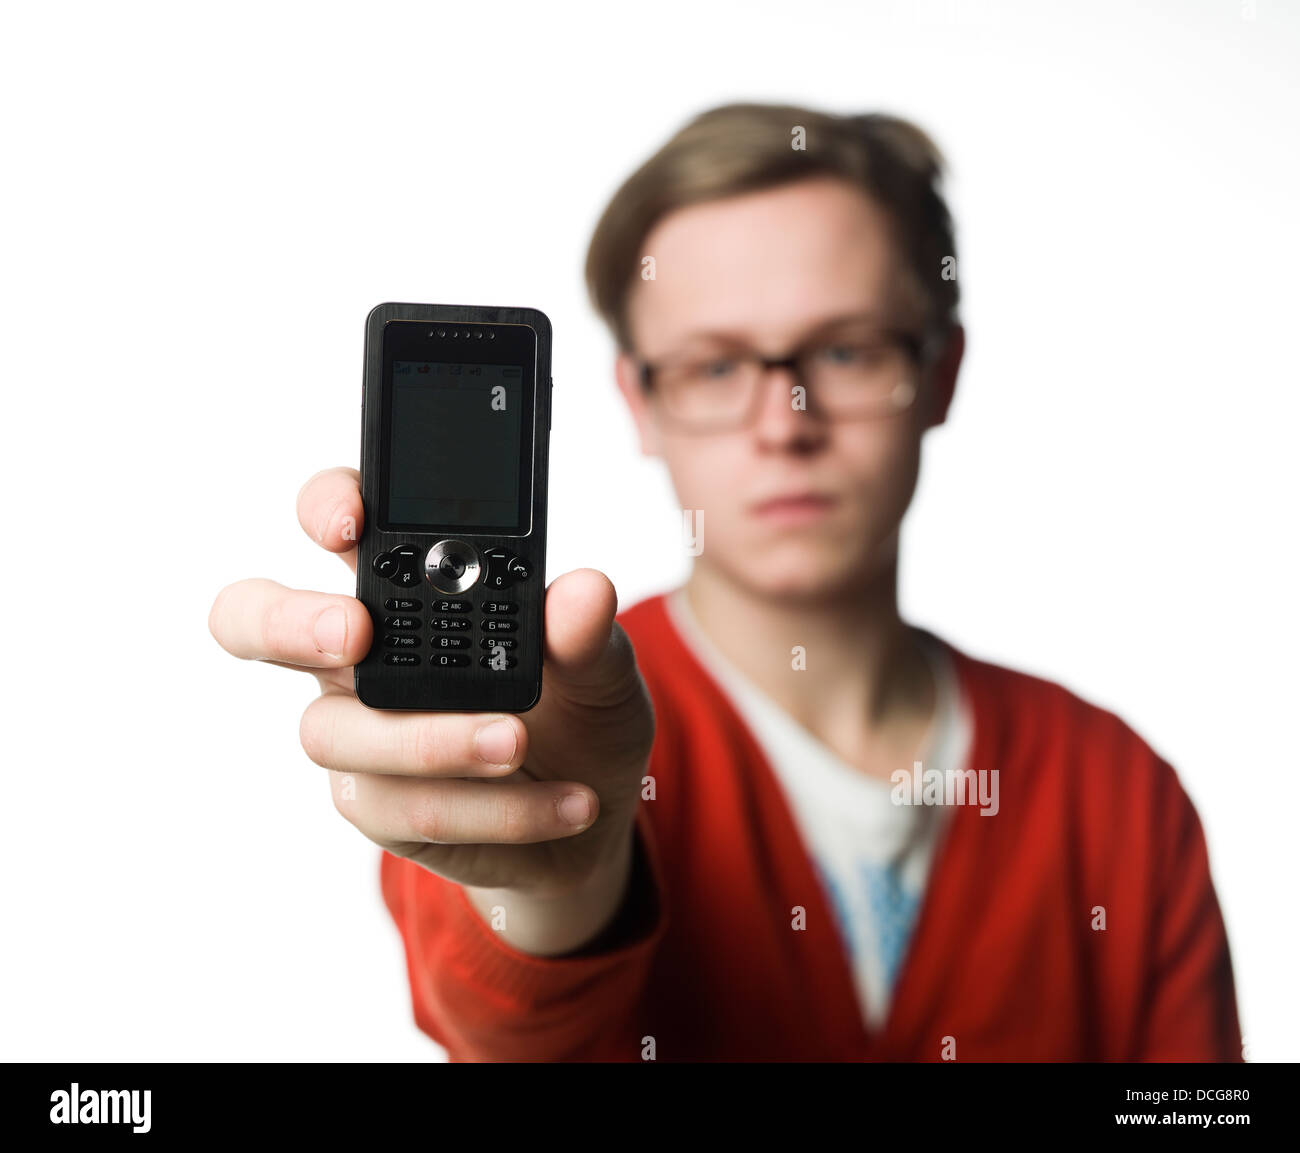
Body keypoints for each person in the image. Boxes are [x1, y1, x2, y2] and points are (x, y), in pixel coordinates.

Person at [208, 102, 1243, 1061]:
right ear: (638, 404)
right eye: (712, 366)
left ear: (940, 372)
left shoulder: (1121, 795)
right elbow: (519, 1029)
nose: (783, 422)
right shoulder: (536, 711)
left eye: (844, 350)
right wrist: (556, 877)